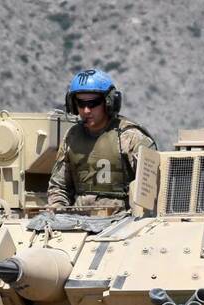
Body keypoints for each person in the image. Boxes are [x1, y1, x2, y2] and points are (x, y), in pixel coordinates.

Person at [47, 69, 156, 212]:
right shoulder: (72, 137)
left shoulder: (129, 137)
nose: (86, 110)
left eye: (93, 103)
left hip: (122, 224)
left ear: (109, 102)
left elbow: (151, 187)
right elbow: (59, 187)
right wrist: (58, 211)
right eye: (80, 103)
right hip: (79, 224)